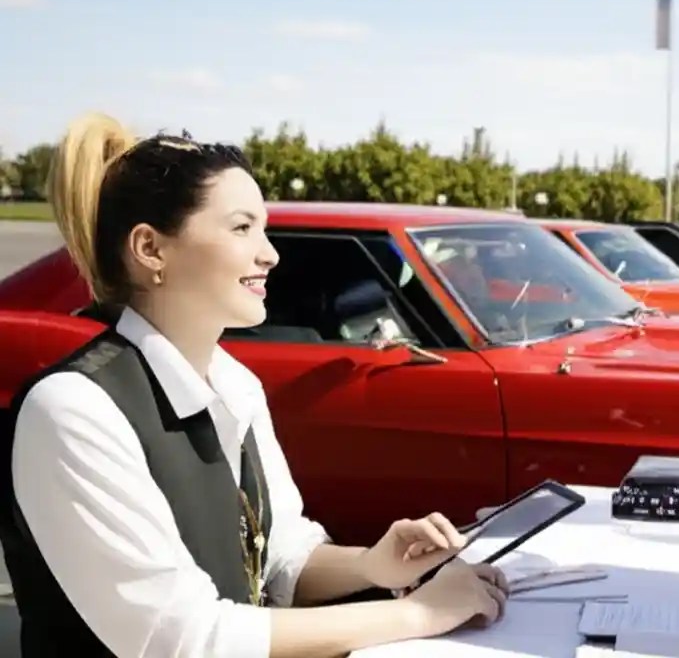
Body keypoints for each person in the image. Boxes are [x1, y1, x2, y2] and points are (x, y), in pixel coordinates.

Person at [0, 112, 509, 657]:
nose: (271, 253)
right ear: (150, 249)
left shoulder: (234, 382)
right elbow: (182, 638)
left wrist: (371, 564)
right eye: (242, 228)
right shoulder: (73, 409)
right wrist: (418, 613)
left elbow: (281, 559)